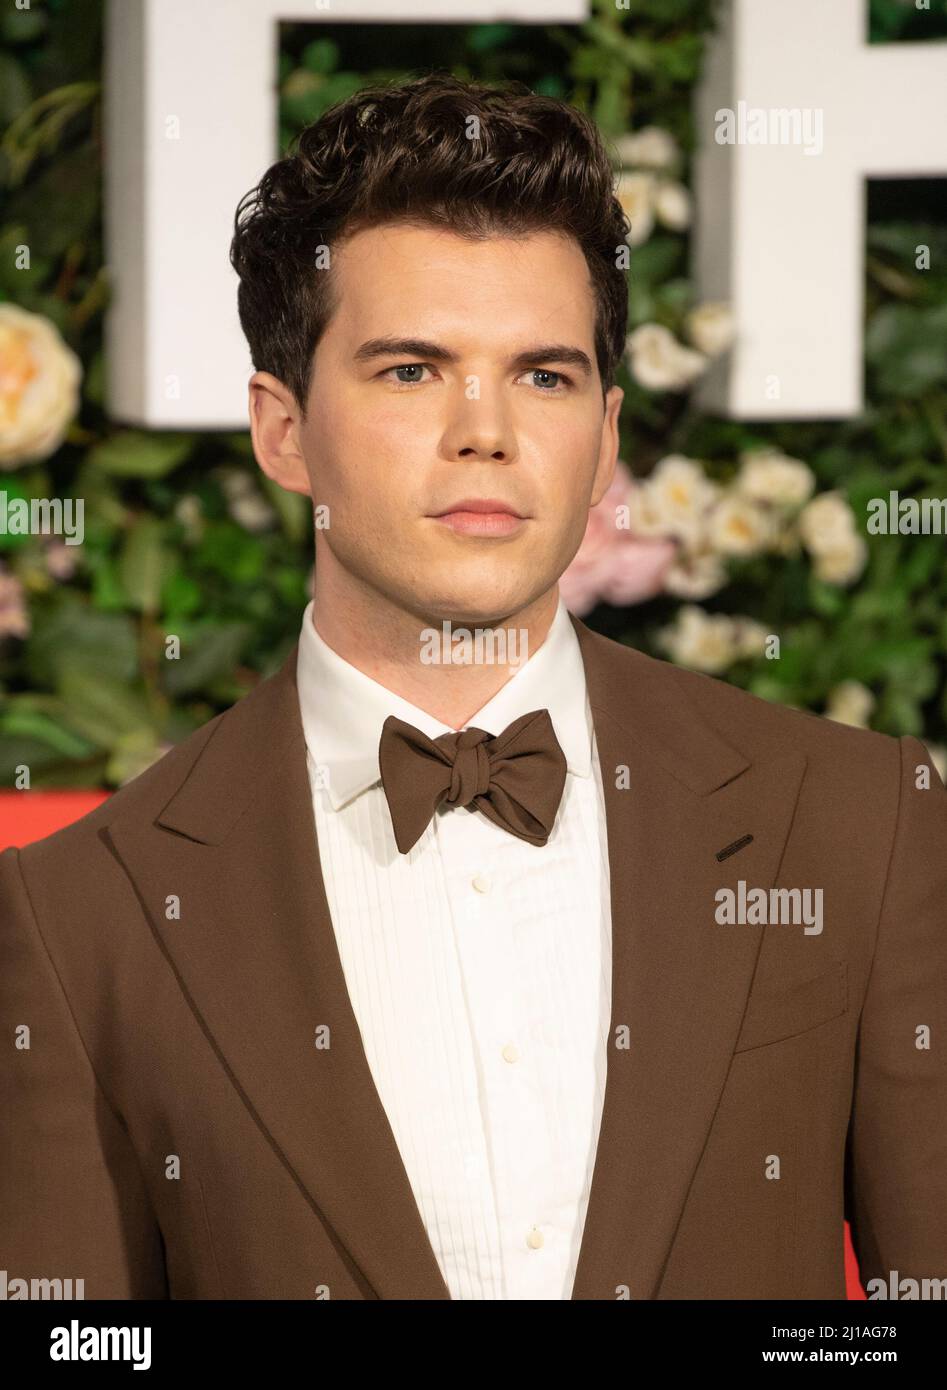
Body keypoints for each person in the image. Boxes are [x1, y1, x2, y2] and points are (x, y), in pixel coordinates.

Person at [2, 73, 945, 1302]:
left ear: (605, 437)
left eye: (542, 376)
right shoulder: (79, 918)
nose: (484, 431)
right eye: (410, 371)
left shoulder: (855, 822)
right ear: (282, 431)